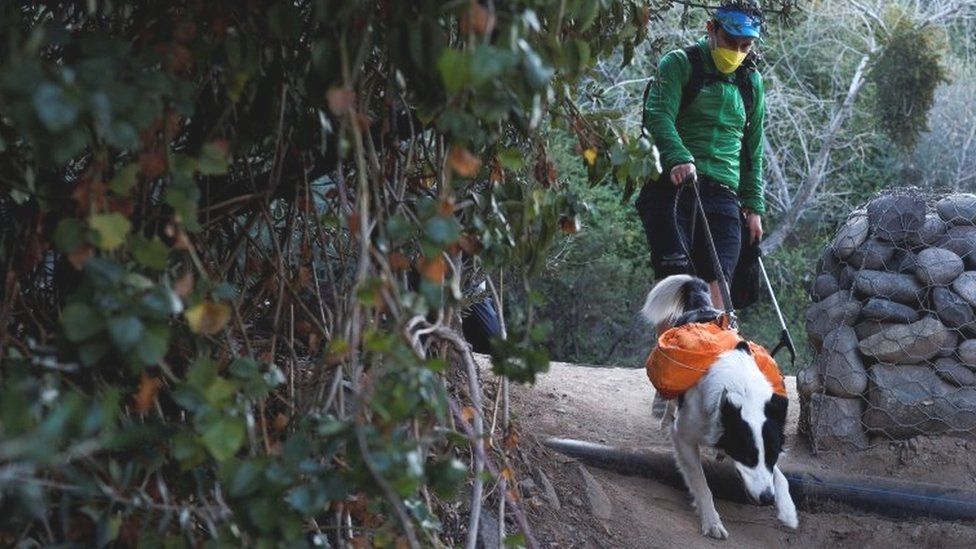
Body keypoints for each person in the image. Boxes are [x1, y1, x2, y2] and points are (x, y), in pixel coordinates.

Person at [635, 2, 766, 312]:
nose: (736, 51)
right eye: (730, 42)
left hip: (723, 196)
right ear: (711, 29)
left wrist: (753, 206)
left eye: (744, 46)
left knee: (720, 283)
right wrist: (679, 156)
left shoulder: (750, 83)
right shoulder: (679, 64)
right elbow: (658, 115)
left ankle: (712, 352)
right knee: (675, 281)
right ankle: (670, 354)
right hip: (674, 187)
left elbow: (752, 148)